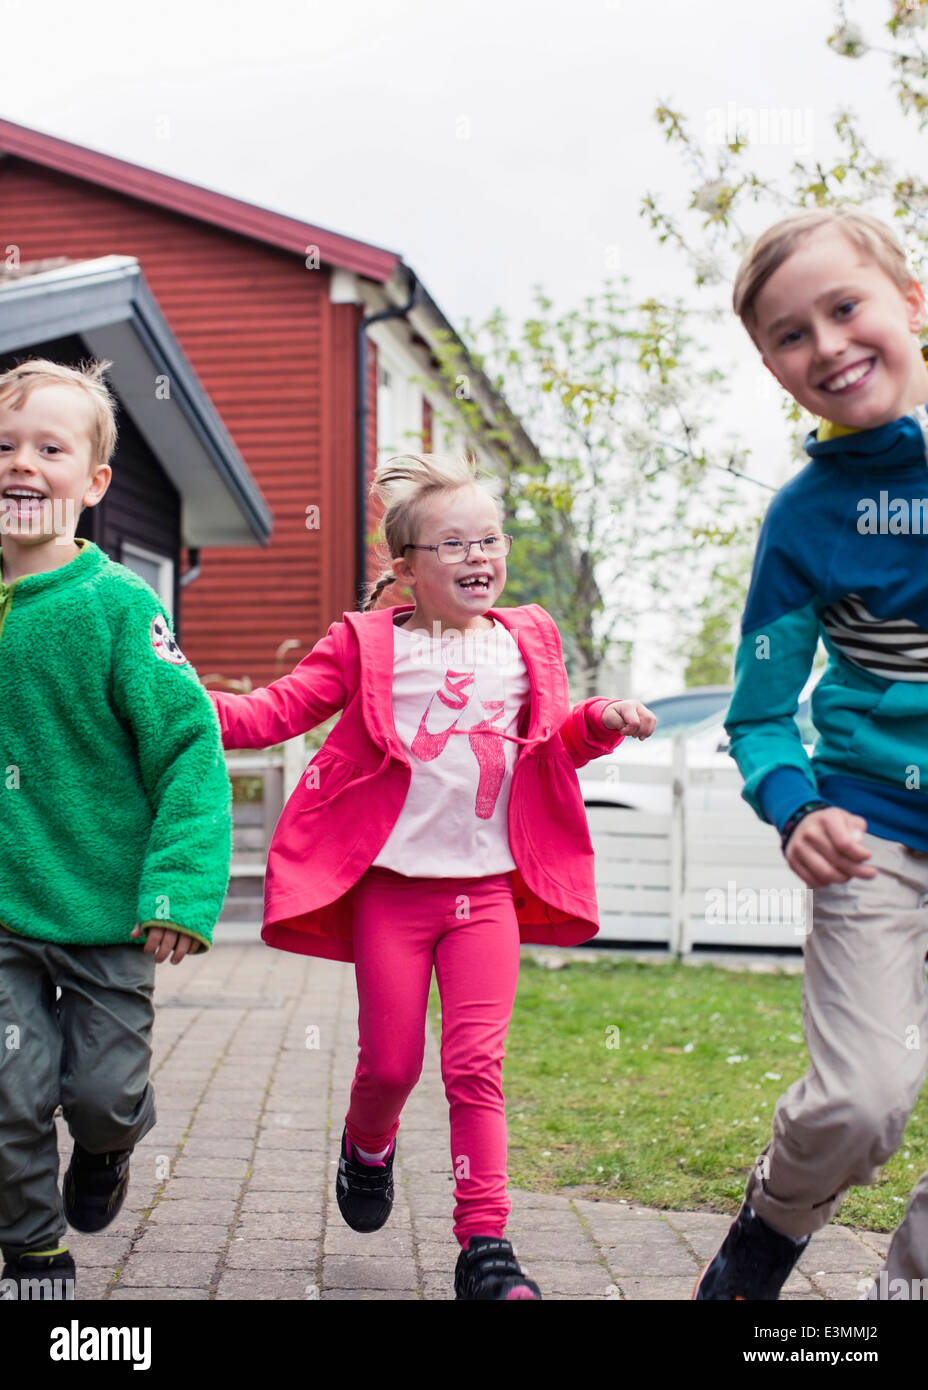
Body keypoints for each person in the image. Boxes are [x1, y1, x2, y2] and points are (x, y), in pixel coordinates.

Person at [208, 452, 655, 1300]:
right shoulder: (367, 642)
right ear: (405, 567)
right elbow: (277, 710)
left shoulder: (530, 637)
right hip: (393, 890)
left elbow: (552, 741)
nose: (478, 556)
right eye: (452, 545)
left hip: (486, 892)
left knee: (475, 1067)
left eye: (489, 539)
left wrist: (601, 721)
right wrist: (182, 701)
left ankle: (485, 1246)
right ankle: (365, 1145)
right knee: (390, 1065)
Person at [694, 207, 928, 1301]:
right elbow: (755, 710)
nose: (826, 345)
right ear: (771, 368)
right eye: (791, 335)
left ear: (910, 301)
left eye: (846, 307)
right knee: (861, 1099)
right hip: (869, 837)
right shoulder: (802, 522)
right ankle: (773, 1217)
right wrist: (794, 807)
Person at [0, 358, 232, 1301]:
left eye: (49, 448)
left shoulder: (121, 609)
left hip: (105, 916)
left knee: (101, 1096)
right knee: (9, 1093)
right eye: (3, 445)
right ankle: (31, 1249)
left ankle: (106, 1150)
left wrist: (175, 889)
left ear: (94, 483)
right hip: (5, 915)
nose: (21, 463)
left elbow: (189, 750)